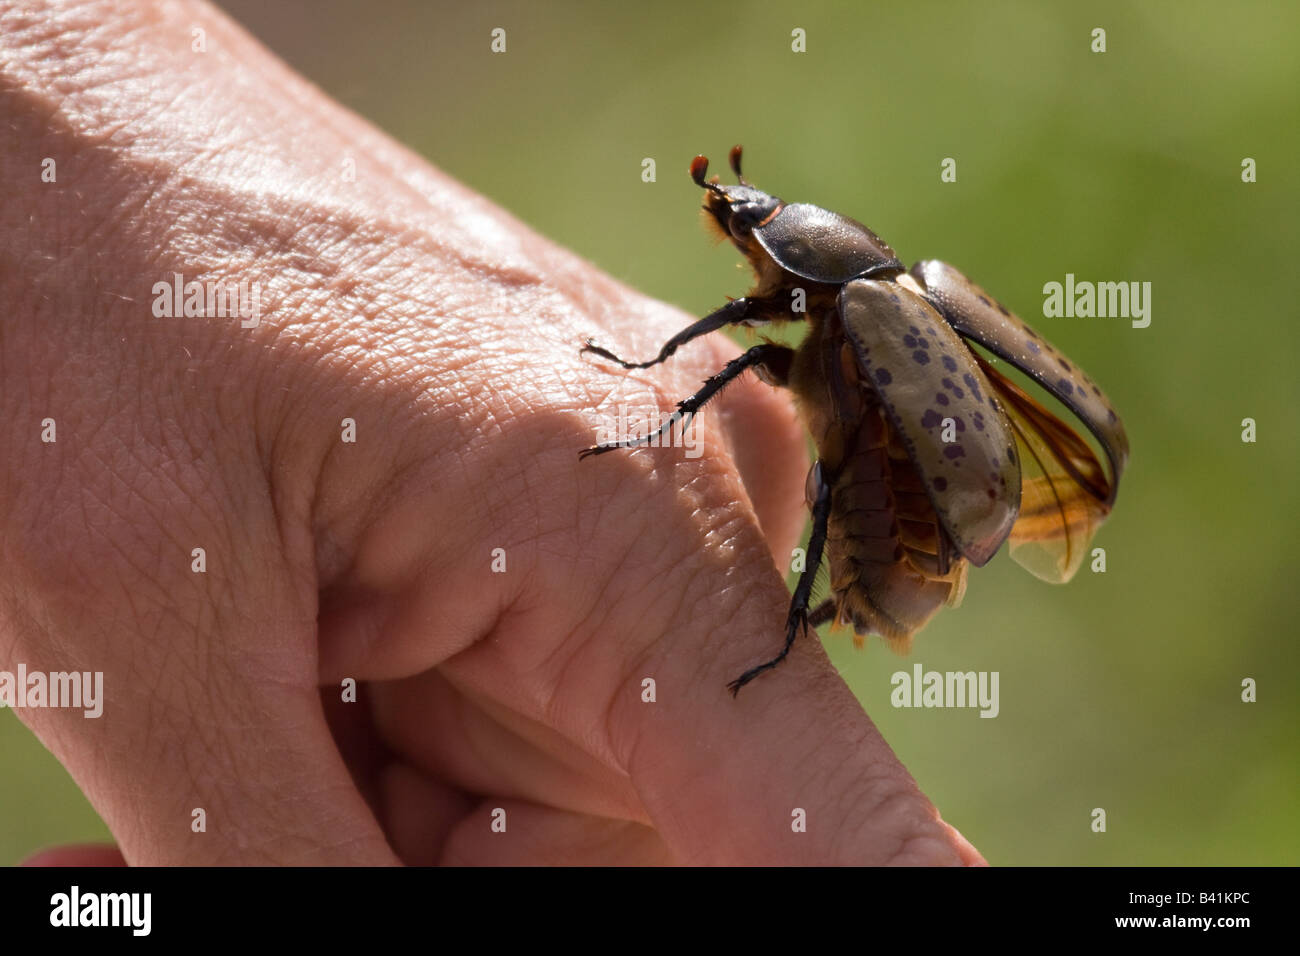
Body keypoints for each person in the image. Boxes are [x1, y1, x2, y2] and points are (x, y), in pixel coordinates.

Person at [1, 0, 983, 866]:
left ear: (785, 253)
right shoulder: (847, 308)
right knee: (797, 446)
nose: (734, 231)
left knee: (814, 461)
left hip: (893, 511)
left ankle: (788, 627)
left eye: (746, 224)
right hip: (905, 518)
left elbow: (743, 350)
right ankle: (790, 626)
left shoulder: (851, 318)